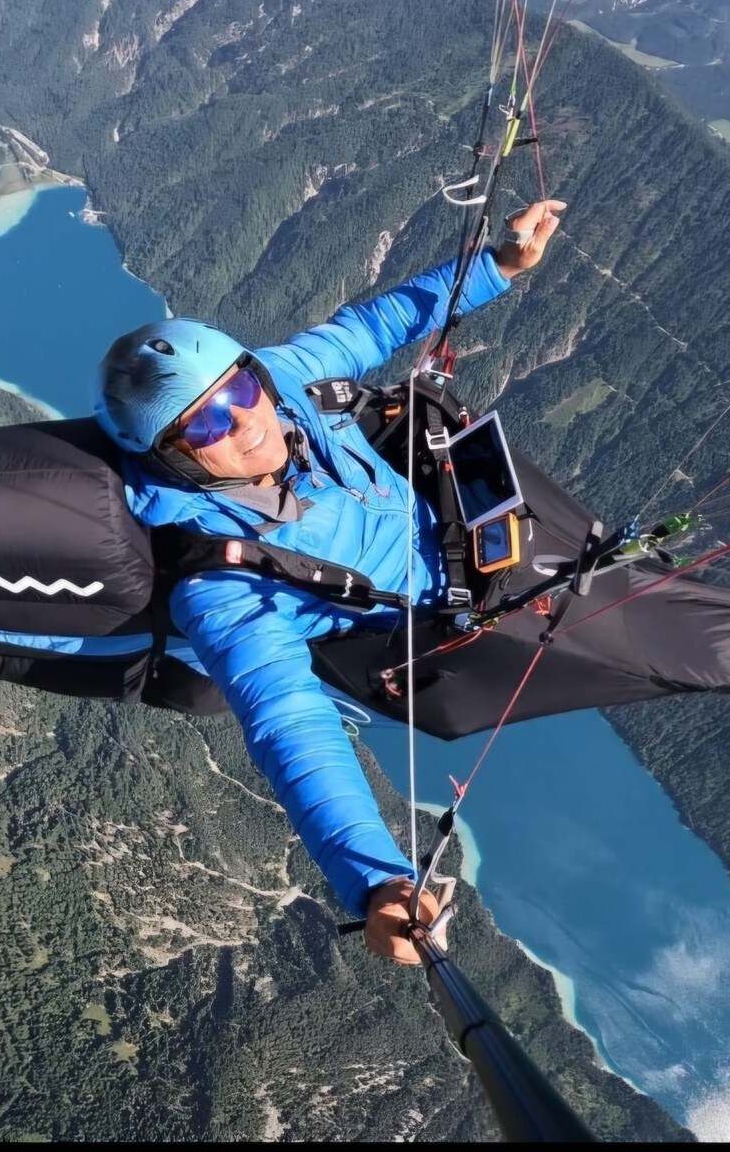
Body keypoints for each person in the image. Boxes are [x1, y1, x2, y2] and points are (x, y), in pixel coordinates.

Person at [94, 200, 567, 965]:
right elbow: (288, 723)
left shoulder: (281, 384)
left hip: (461, 531)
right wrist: (377, 882)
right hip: (442, 621)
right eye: (206, 426)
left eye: (238, 393)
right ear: (171, 458)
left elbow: (373, 326)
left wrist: (496, 267)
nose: (245, 423)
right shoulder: (220, 581)